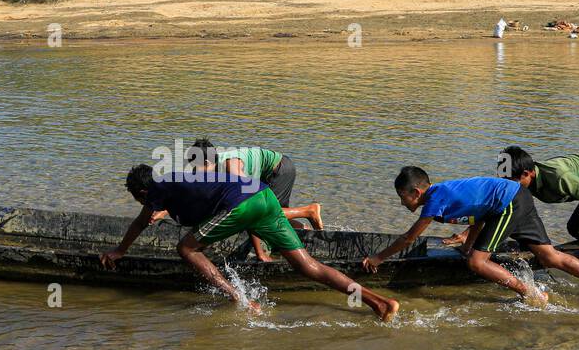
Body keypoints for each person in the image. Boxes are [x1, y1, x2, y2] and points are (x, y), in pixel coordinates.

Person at [101, 164, 399, 322]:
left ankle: (241, 299)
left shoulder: (157, 188)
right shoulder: (174, 183)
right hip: (264, 197)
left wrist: (120, 250)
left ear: (142, 192)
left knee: (186, 248)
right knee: (309, 266)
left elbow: (141, 222)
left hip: (242, 204)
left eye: (140, 199)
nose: (144, 204)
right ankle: (380, 303)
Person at [361, 166, 579, 307]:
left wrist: (378, 258)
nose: (401, 203)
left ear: (416, 193)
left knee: (477, 263)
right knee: (548, 257)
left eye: (402, 197)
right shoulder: (441, 193)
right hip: (514, 198)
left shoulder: (434, 201)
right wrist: (468, 242)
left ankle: (531, 293)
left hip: (509, 204)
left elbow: (408, 238)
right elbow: (478, 213)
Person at [187, 138, 324, 262]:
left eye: (197, 168)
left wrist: (260, 253)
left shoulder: (231, 167)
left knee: (267, 213)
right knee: (275, 218)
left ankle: (309, 211)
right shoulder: (211, 170)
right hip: (266, 174)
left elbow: (251, 204)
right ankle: (302, 230)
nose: (196, 173)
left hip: (279, 169)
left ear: (206, 162)